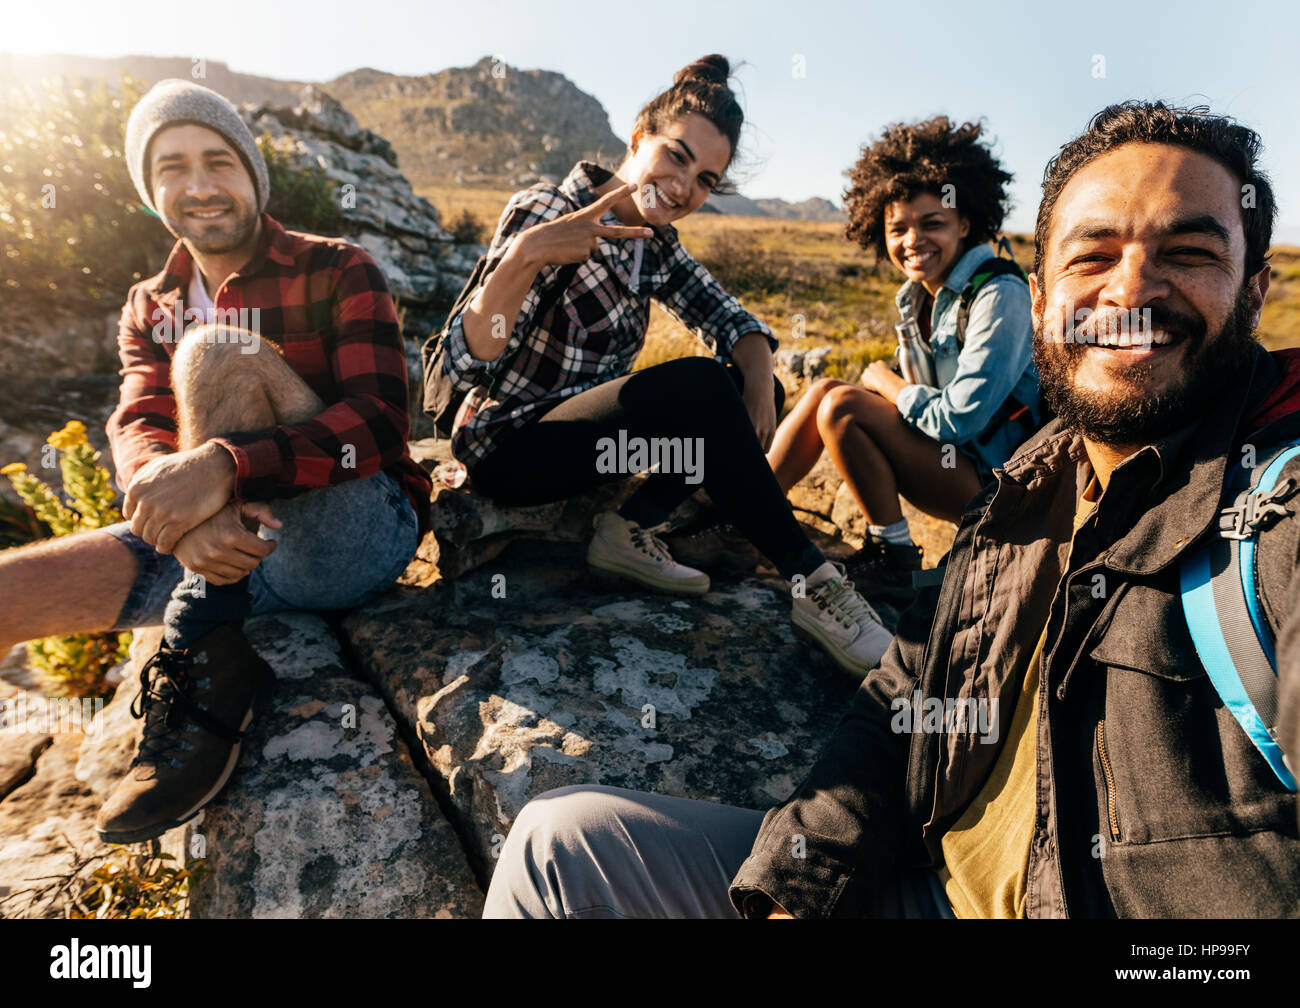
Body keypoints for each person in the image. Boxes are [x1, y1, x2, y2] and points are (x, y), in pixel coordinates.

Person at [482, 100, 1300, 918]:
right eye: (1094, 256)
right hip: (923, 882)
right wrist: (792, 896)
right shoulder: (1028, 494)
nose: (1130, 289)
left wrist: (828, 375)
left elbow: (956, 416)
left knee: (829, 400)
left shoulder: (1274, 508)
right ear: (1049, 290)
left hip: (962, 465)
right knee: (561, 843)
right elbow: (899, 704)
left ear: (1256, 291)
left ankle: (773, 541)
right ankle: (748, 522)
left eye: (1188, 252)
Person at [0, 80, 430, 844]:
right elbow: (138, 422)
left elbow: (381, 424)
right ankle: (215, 620)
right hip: (220, 544)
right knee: (7, 592)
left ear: (252, 175)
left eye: (218, 161)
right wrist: (182, 519)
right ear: (149, 188)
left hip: (349, 535)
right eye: (171, 167)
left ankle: (203, 641)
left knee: (216, 351)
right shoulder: (149, 301)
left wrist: (230, 466)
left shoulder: (338, 267)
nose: (197, 186)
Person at [437, 55, 892, 676]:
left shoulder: (653, 246)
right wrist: (525, 257)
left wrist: (759, 377)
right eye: (676, 157)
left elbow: (732, 320)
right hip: (508, 448)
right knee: (706, 386)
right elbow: (460, 360)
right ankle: (812, 581)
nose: (683, 189)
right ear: (637, 137)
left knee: (748, 386)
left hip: (592, 455)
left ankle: (628, 530)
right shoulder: (546, 208)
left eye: (705, 179)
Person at [760, 116, 1041, 604]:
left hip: (1007, 491)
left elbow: (959, 419)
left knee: (844, 405)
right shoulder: (918, 298)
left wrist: (886, 384)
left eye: (932, 223)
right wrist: (883, 388)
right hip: (960, 468)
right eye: (899, 228)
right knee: (829, 393)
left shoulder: (1000, 292)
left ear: (965, 223)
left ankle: (892, 558)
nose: (913, 241)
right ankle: (746, 512)